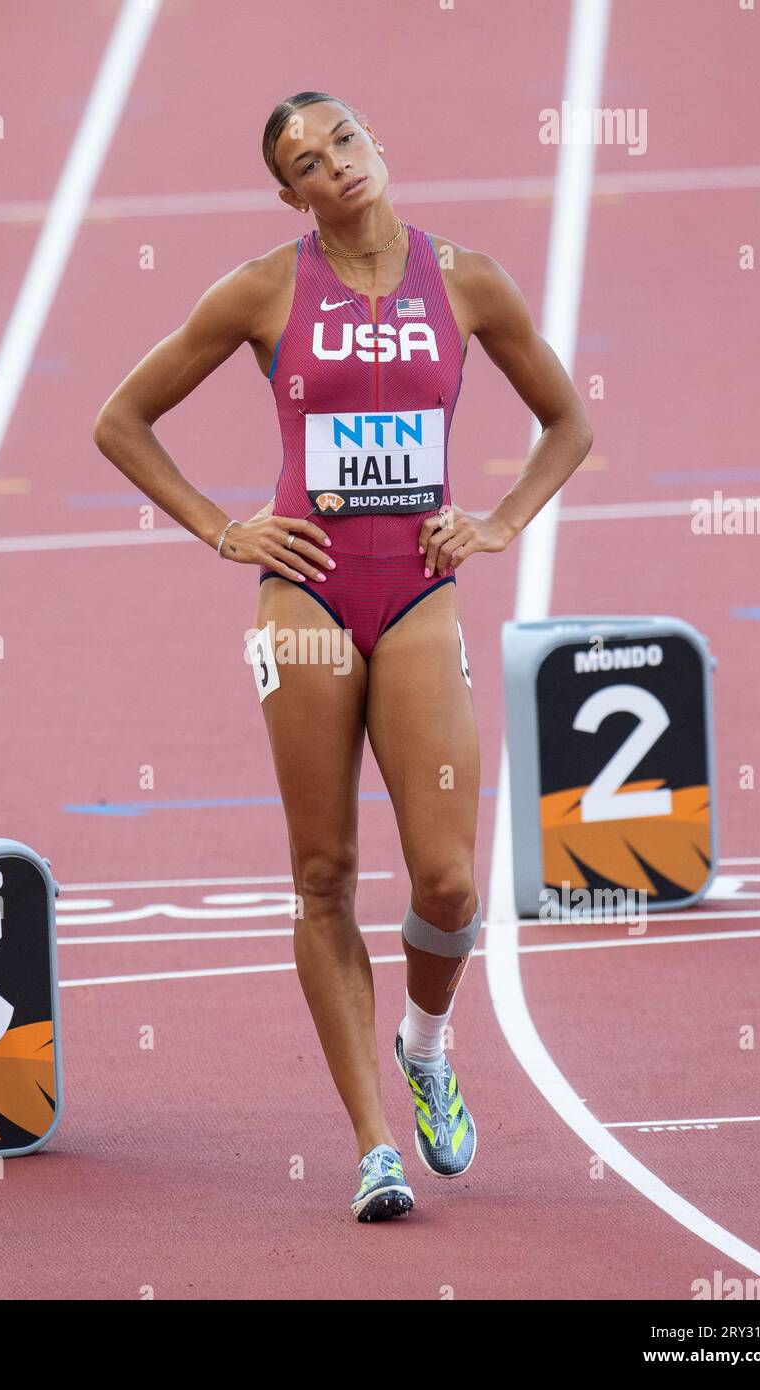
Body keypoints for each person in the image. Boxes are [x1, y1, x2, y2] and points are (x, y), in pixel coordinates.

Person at [94, 91, 592, 1222]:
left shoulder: (466, 280)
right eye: (307, 162)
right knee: (322, 874)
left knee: (450, 880)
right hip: (303, 598)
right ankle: (375, 1144)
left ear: (379, 143)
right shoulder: (263, 289)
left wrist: (502, 519)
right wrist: (224, 527)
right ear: (292, 194)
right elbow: (121, 420)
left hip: (417, 592)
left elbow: (568, 421)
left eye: (345, 140)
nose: (336, 166)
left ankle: (426, 1044)